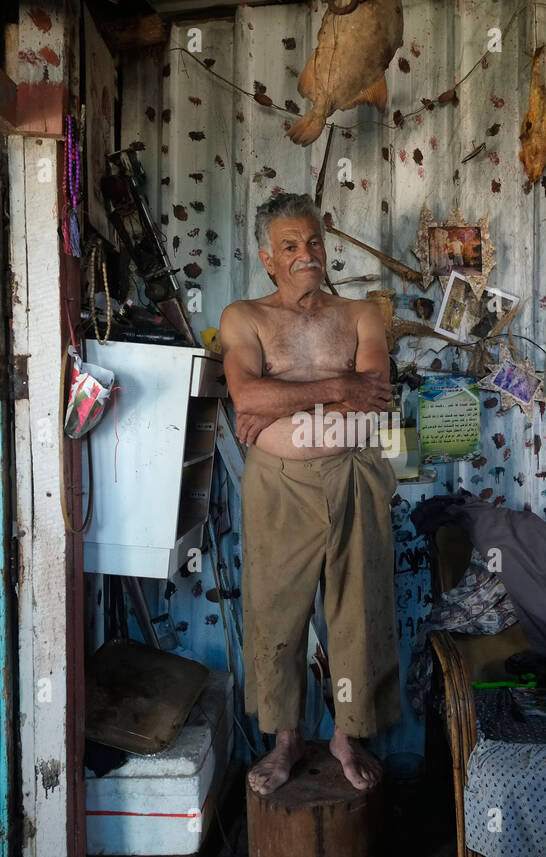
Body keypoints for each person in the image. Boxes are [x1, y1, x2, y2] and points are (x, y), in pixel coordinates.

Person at [219, 193, 400, 796]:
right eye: (291, 247)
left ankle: (349, 734)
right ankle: (288, 739)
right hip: (278, 483)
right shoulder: (244, 316)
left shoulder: (360, 315)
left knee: (359, 609)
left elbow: (376, 392)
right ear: (268, 258)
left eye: (314, 243)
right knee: (276, 609)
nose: (306, 256)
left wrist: (286, 393)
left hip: (353, 472)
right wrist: (338, 386)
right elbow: (247, 399)